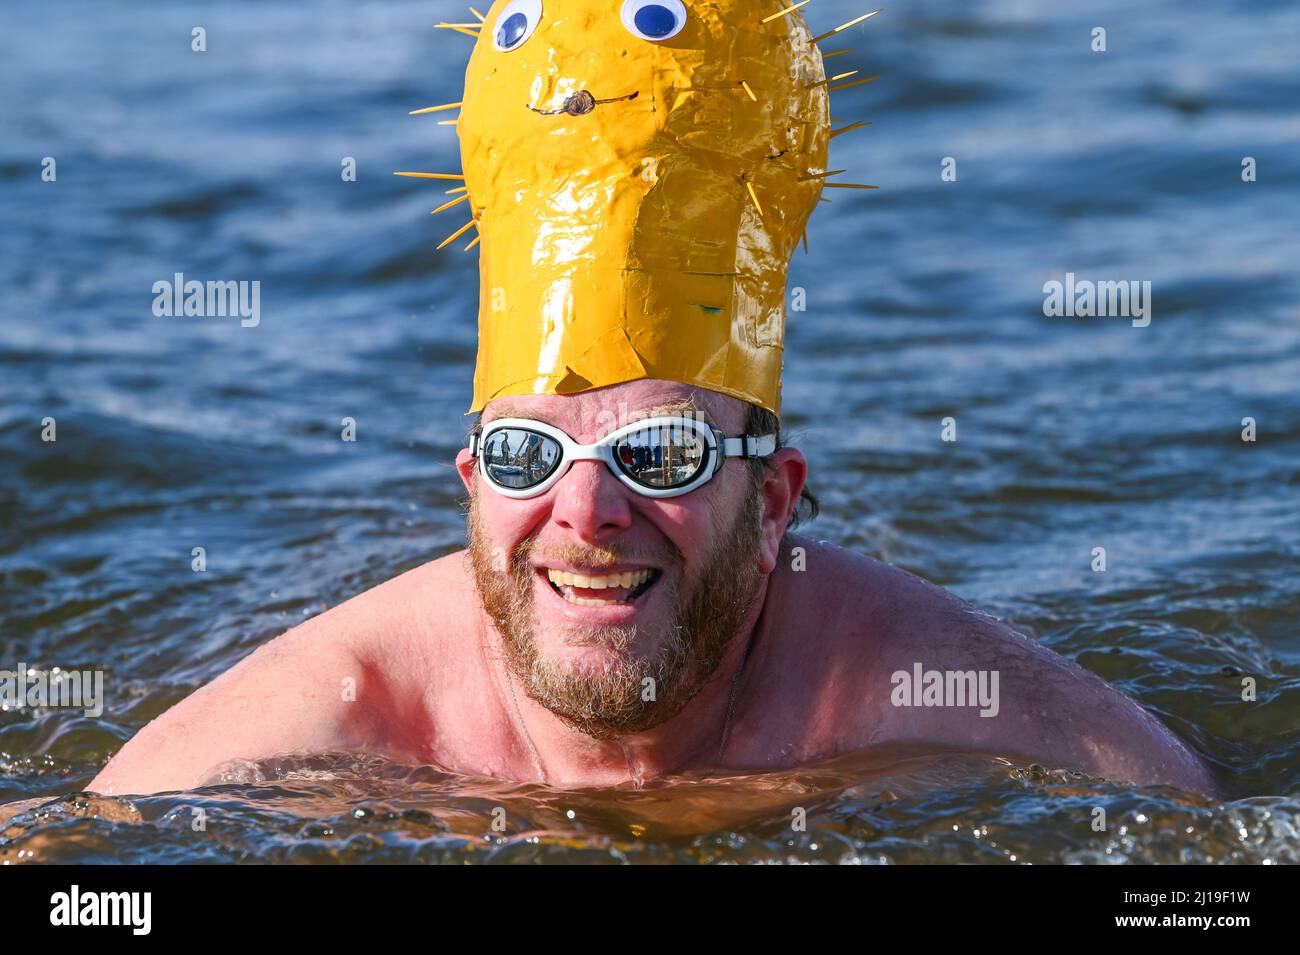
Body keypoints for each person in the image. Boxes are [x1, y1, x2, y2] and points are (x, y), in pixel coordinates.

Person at [88, 0, 1216, 797]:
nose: (585, 514)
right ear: (471, 486)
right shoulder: (320, 728)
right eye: (529, 456)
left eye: (663, 453)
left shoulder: (918, 697)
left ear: (774, 505)